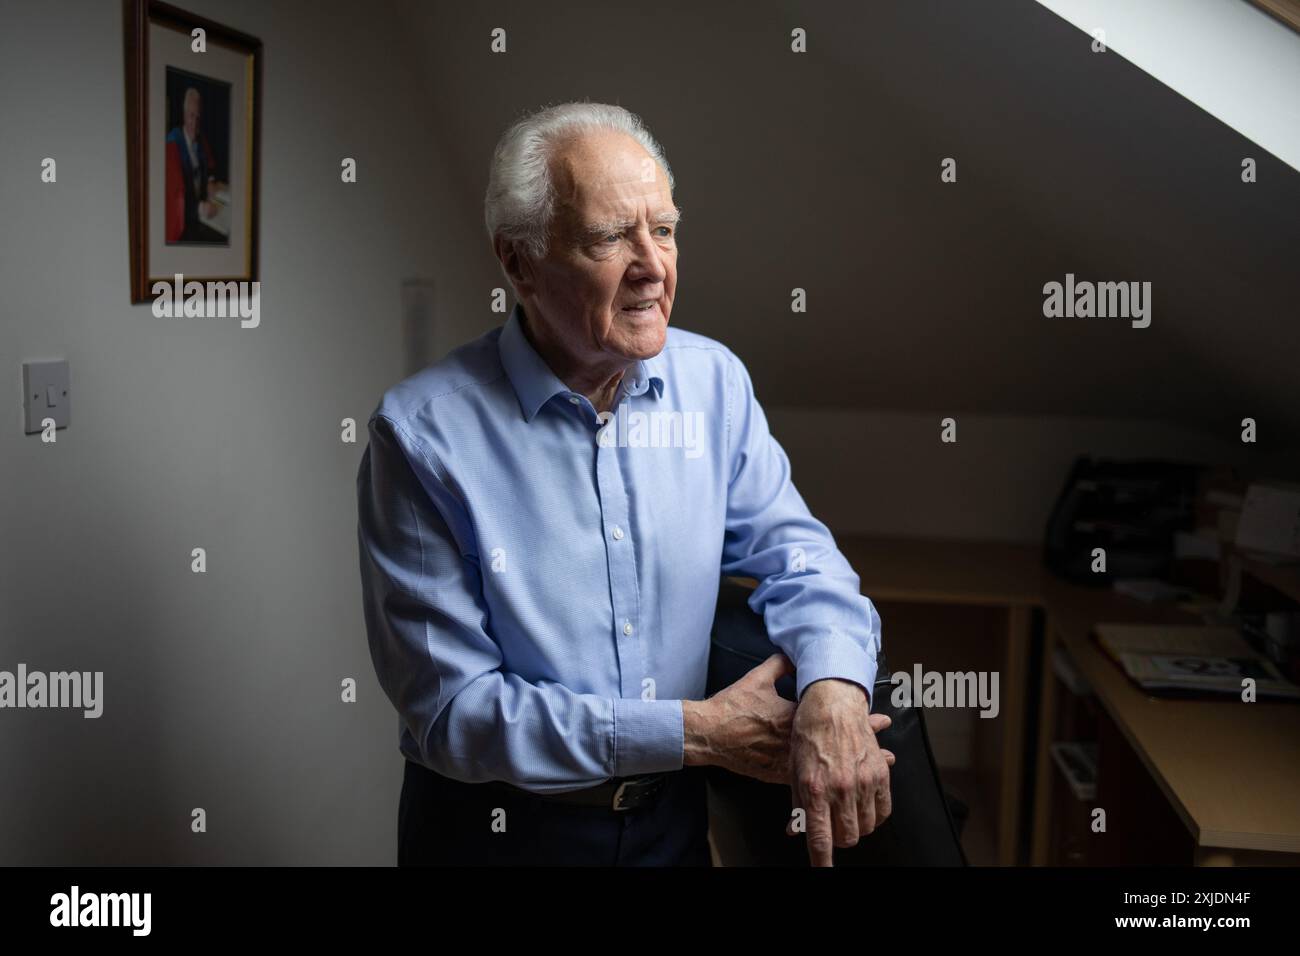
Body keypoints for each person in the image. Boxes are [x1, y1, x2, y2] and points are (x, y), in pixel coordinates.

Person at [357, 101, 892, 866]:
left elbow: (799, 556)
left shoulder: (714, 384)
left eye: (665, 229)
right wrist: (695, 732)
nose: (653, 266)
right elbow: (454, 714)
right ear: (518, 261)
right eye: (611, 238)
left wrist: (835, 684)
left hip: (672, 824)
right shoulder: (420, 438)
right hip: (499, 836)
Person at [164, 87, 225, 243]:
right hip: (182, 224)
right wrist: (199, 208)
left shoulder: (201, 139)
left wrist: (210, 181)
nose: (194, 122)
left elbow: (211, 167)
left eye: (198, 117)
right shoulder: (171, 145)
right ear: (184, 115)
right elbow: (172, 197)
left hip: (203, 219)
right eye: (191, 116)